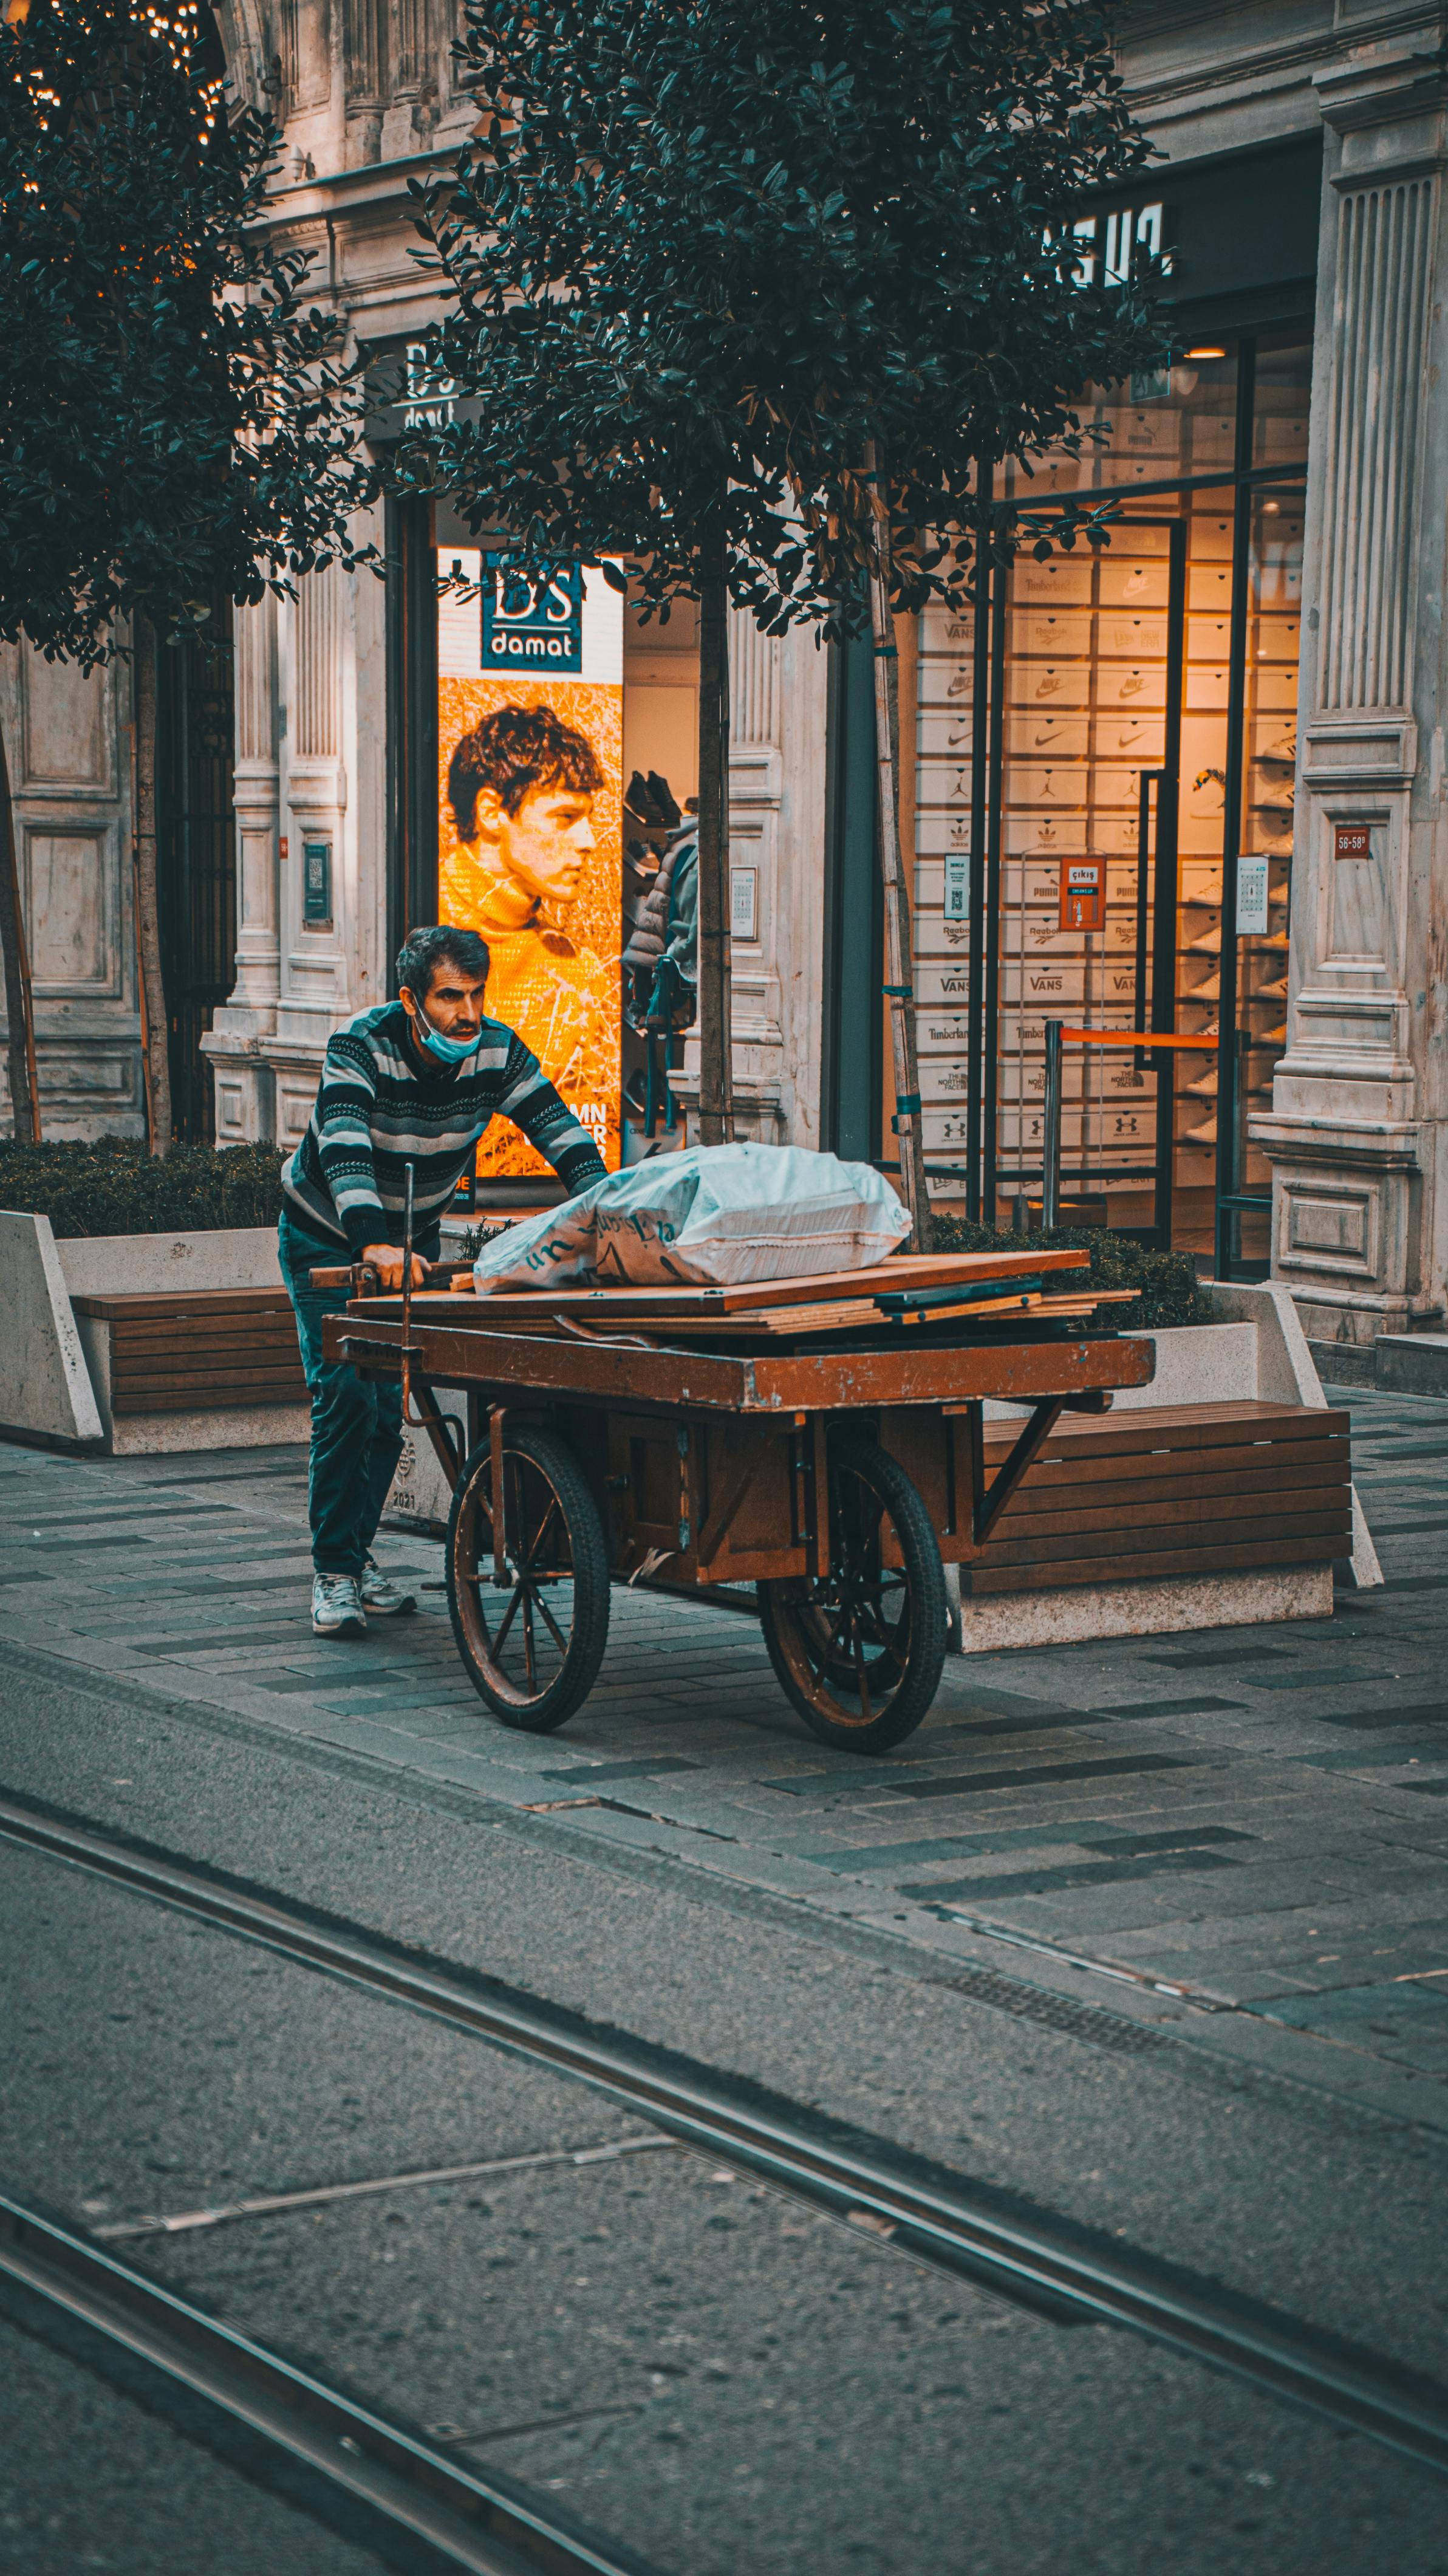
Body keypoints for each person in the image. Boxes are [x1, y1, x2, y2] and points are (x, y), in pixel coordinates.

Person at [278, 923, 607, 1639]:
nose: (468, 1012)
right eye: (450, 996)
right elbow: (342, 1142)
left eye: (476, 993)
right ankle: (333, 1571)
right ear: (410, 1000)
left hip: (410, 1245)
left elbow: (559, 1130)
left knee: (389, 1406)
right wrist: (369, 1239)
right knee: (344, 1399)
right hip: (328, 1238)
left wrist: (612, 1210)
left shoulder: (496, 1050)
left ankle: (357, 1556)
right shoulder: (359, 1046)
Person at [440, 702, 615, 1111]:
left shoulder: (581, 972)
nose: (589, 839)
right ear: (491, 812)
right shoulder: (418, 923)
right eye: (565, 816)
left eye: (587, 818)